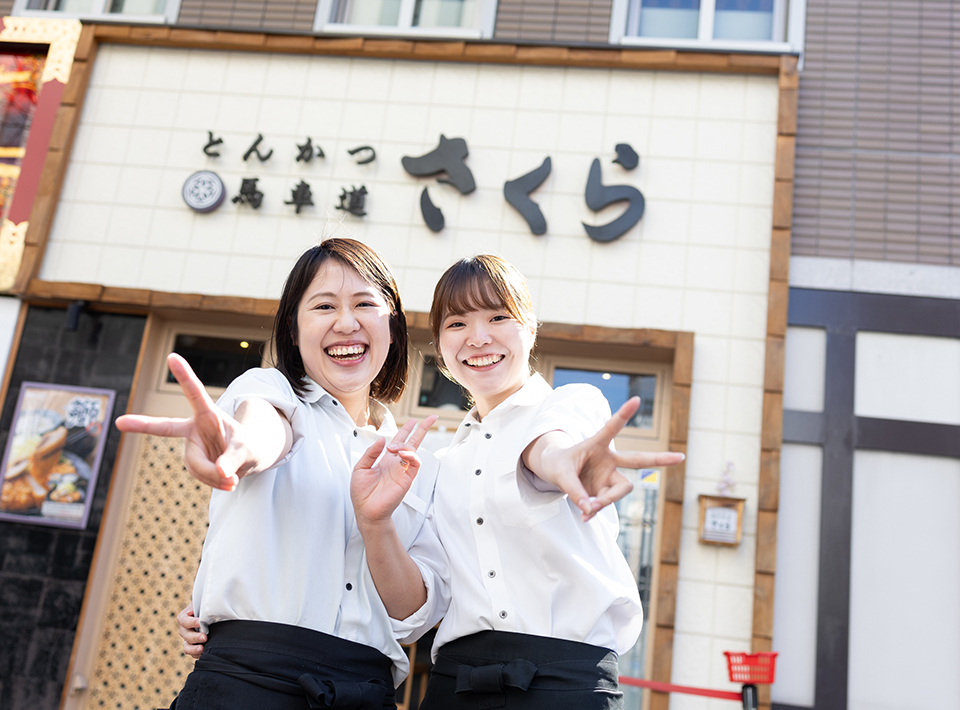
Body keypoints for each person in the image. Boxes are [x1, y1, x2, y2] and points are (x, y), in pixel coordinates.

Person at [350, 255, 686, 709]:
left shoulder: (572, 403)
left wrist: (561, 460)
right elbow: (414, 613)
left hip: (566, 686)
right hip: (456, 686)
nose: (478, 337)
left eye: (497, 317)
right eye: (457, 323)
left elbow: (547, 446)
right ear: (440, 344)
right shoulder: (437, 466)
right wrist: (377, 525)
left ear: (529, 326)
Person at [116, 238, 439, 710]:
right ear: (293, 328)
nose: (346, 323)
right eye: (323, 305)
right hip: (246, 684)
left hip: (365, 691)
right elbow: (265, 430)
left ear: (392, 324)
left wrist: (377, 525)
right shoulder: (269, 390)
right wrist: (237, 448)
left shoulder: (418, 462)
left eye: (365, 304)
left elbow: (411, 617)